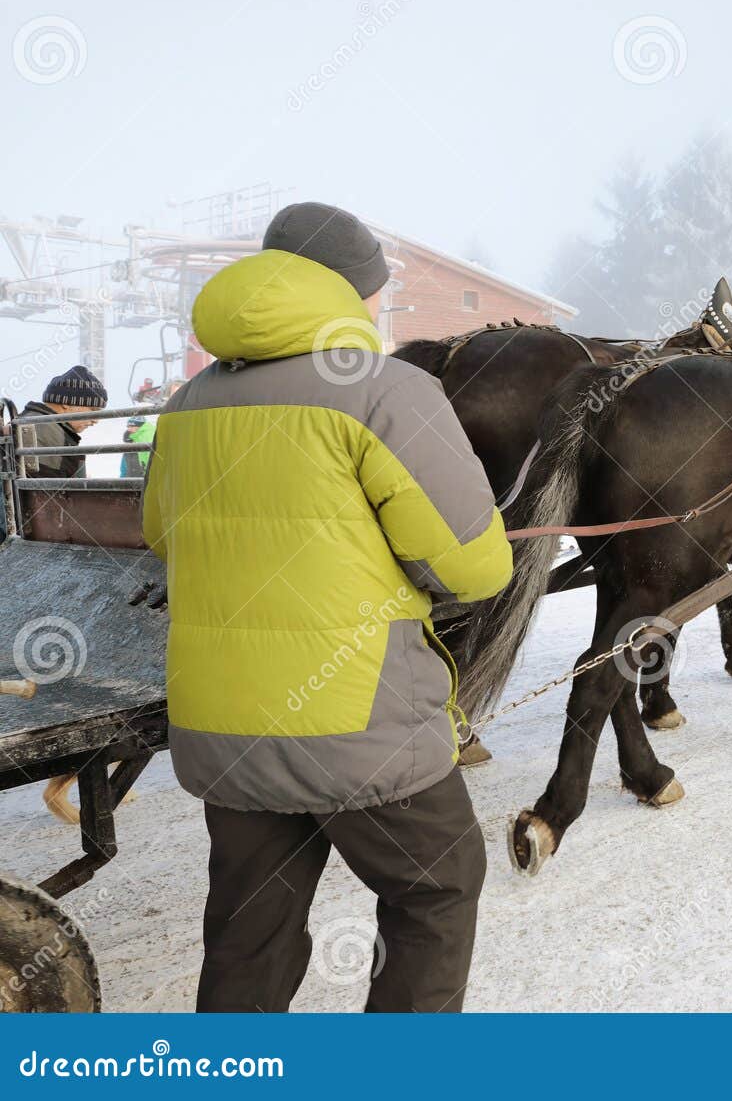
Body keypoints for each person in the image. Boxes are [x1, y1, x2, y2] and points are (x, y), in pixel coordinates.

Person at [141, 202, 513, 1013]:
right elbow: (477, 566)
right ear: (348, 291)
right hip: (359, 722)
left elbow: (163, 537)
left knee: (250, 928)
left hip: (226, 726)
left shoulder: (188, 404)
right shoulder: (384, 392)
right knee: (436, 891)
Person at [19, 366, 108, 478]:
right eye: (93, 410)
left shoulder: (23, 420)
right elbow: (61, 492)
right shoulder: (52, 434)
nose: (96, 420)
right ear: (68, 403)